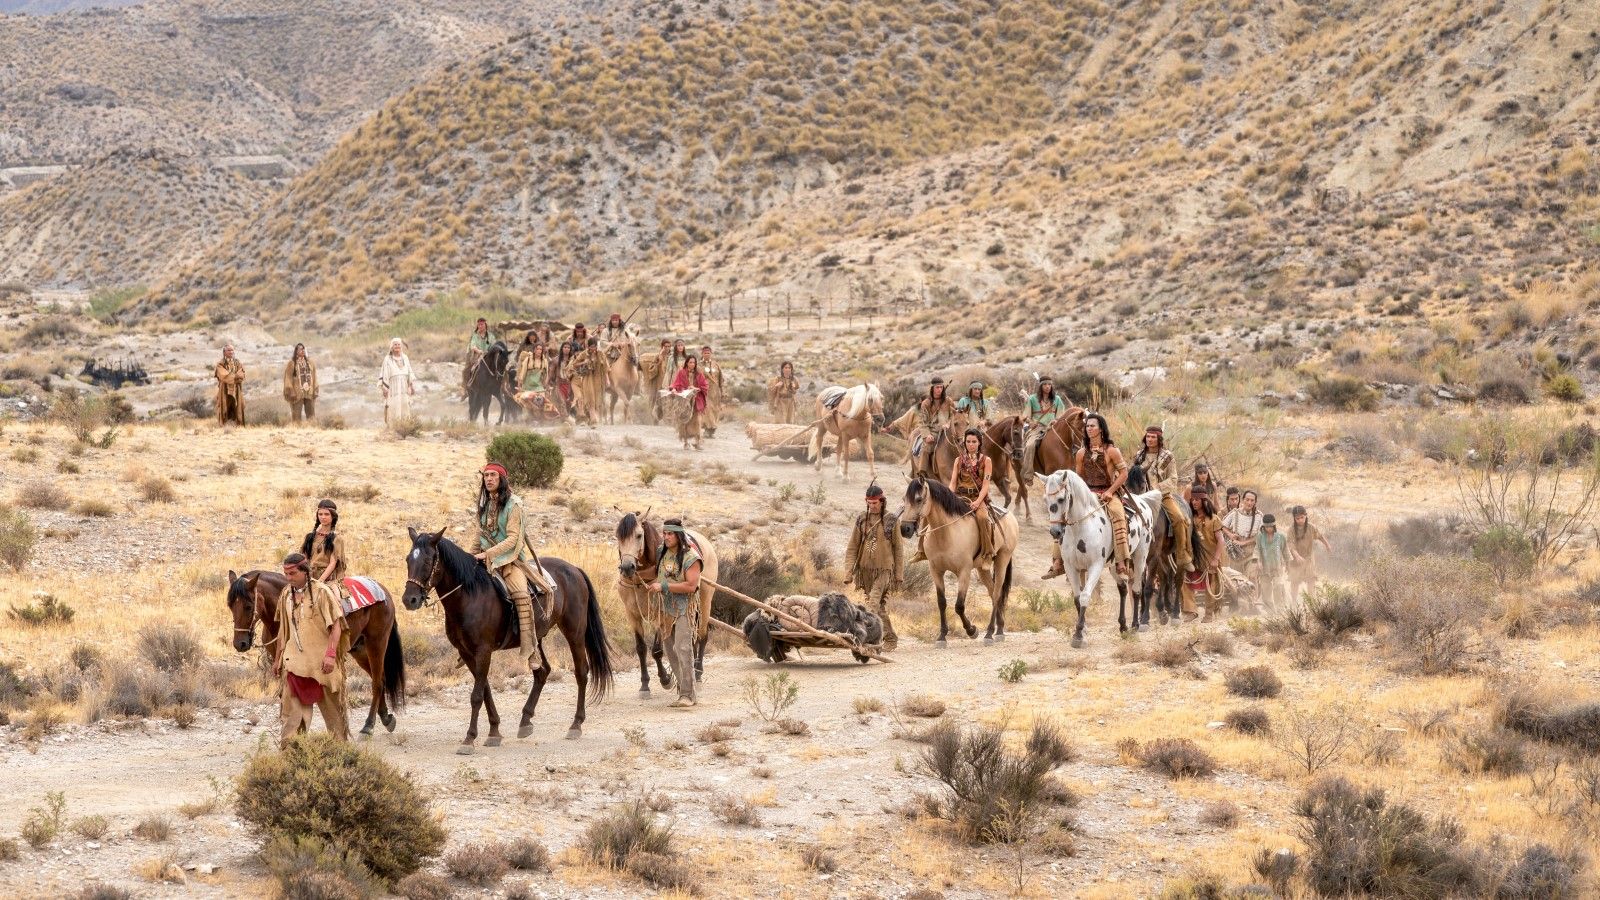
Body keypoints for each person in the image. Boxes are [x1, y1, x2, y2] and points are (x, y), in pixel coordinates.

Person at [474, 463, 554, 673]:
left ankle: (532, 650)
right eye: (486, 475)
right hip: (486, 561)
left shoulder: (514, 504)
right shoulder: (485, 504)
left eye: (493, 475)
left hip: (510, 562)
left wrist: (488, 554)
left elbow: (512, 539)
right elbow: (480, 536)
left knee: (521, 595)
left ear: (501, 478)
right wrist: (469, 557)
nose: (488, 479)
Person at [274, 552, 349, 746]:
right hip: (295, 664)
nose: (289, 578)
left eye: (292, 574)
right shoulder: (285, 596)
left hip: (322, 665)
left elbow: (337, 626)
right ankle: (290, 756)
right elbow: (283, 630)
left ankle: (341, 754)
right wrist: (277, 659)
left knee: (334, 718)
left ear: (305, 571)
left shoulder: (321, 593)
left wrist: (331, 655)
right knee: (292, 716)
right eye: (286, 574)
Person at [647, 518, 702, 709]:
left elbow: (691, 586)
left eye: (670, 533)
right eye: (664, 533)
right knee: (670, 650)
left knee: (683, 649)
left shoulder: (691, 558)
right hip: (664, 610)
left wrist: (662, 586)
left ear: (678, 535)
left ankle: (688, 695)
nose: (666, 537)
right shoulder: (662, 553)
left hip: (684, 608)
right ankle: (683, 692)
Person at [844, 484, 904, 650]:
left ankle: (867, 639)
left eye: (875, 503)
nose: (872, 506)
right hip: (865, 572)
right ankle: (890, 638)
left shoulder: (892, 520)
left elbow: (898, 549)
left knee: (872, 604)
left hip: (884, 570)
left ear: (882, 501)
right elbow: (852, 547)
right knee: (879, 608)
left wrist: (899, 574)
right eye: (869, 503)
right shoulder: (861, 519)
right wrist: (848, 572)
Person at [1075, 412, 1131, 578]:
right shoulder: (1080, 453)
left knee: (1119, 515)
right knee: (1065, 515)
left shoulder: (1112, 451)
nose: (1089, 428)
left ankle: (1121, 561)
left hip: (1108, 492)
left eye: (1093, 426)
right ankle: (1058, 561)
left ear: (1101, 429)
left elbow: (1124, 473)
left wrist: (1110, 491)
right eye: (1087, 426)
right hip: (1088, 492)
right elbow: (1079, 477)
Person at [1133, 426, 1192, 572]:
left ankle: (1183, 554)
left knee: (1179, 518)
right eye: (1148, 437)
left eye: (1153, 437)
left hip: (1162, 496)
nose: (1150, 439)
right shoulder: (1139, 455)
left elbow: (1173, 479)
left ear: (1159, 439)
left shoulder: (1167, 456)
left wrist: (1155, 488)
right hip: (1140, 496)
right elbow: (1133, 474)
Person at [949, 428, 995, 563]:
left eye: (974, 441)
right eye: (968, 441)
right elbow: (953, 483)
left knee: (982, 518)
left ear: (979, 443)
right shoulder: (958, 460)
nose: (971, 444)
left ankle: (987, 553)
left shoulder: (987, 461)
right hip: (960, 496)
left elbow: (986, 485)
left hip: (976, 497)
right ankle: (922, 550)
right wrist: (948, 495)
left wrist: (978, 502)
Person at [1183, 486, 1224, 622]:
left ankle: (1209, 614)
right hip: (1193, 558)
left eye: (1197, 500)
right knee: (1186, 582)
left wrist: (1216, 559)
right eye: (1192, 500)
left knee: (1211, 585)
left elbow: (1221, 540)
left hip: (1210, 559)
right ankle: (1191, 611)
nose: (1194, 502)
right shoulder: (1189, 518)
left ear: (1204, 501)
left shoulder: (1214, 519)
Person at [1023, 376, 1067, 479]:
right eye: (1045, 384)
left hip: (1053, 428)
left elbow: (1061, 416)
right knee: (1030, 445)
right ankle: (1028, 474)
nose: (1047, 387)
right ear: (1041, 386)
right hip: (1038, 428)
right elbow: (1026, 416)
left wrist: (1056, 421)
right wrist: (1031, 422)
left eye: (1049, 384)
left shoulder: (1057, 399)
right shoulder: (1032, 399)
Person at [911, 377, 956, 478]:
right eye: (937, 387)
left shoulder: (948, 401)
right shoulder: (926, 403)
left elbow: (954, 414)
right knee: (926, 448)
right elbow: (923, 422)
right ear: (932, 388)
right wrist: (927, 435)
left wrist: (948, 423)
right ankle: (921, 473)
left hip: (947, 430)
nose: (939, 389)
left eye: (941, 387)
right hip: (933, 431)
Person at [1287, 505, 1332, 600]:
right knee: (1294, 582)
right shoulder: (1291, 530)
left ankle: (1311, 602)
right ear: (1294, 518)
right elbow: (1291, 545)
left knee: (1311, 580)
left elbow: (1320, 536)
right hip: (1295, 560)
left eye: (1302, 517)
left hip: (1309, 559)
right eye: (1297, 518)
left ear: (1306, 516)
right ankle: (1294, 602)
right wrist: (1297, 556)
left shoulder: (1311, 527)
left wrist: (1327, 545)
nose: (1300, 520)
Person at [301, 499, 348, 585]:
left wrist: (320, 581)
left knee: (337, 597)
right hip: (310, 575)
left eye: (326, 514)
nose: (323, 517)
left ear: (333, 516)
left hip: (328, 577)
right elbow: (304, 559)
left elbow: (332, 563)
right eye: (320, 514)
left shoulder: (337, 539)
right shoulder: (310, 537)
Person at [670, 355, 709, 450]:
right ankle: (686, 442)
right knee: (685, 421)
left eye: (694, 362)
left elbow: (705, 386)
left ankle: (698, 442)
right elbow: (676, 383)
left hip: (697, 400)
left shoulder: (699, 373)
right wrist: (674, 389)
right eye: (690, 362)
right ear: (687, 363)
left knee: (698, 421)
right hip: (685, 401)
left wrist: (695, 388)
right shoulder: (681, 372)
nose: (692, 364)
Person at [1222, 489, 1263, 571]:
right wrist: (1231, 535)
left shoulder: (1259, 516)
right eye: (1247, 500)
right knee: (1236, 580)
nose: (1249, 503)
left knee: (1252, 576)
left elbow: (1261, 536)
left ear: (1255, 502)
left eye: (1252, 500)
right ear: (1243, 500)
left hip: (1251, 553)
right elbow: (1221, 526)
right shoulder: (1235, 513)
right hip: (1236, 553)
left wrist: (1244, 542)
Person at [1255, 513, 1289, 612]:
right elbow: (1257, 549)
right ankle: (1269, 609)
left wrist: (1288, 565)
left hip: (1278, 567)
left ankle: (1281, 608)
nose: (1268, 529)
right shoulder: (1260, 536)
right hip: (1264, 567)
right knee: (1265, 589)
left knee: (1278, 586)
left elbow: (1286, 550)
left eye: (1270, 526)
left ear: (1274, 525)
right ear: (1263, 526)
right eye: (1266, 527)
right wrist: (1258, 562)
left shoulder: (1281, 536)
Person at [569, 337, 605, 426]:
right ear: (588, 347)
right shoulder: (583, 354)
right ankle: (593, 420)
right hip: (587, 378)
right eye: (591, 347)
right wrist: (584, 362)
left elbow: (606, 366)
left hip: (598, 378)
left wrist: (607, 379)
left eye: (595, 346)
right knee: (590, 398)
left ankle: (590, 417)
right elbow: (574, 364)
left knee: (597, 398)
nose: (593, 349)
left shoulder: (600, 353)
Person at [380, 338, 416, 427]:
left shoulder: (405, 358)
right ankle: (393, 428)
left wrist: (411, 386)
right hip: (393, 387)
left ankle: (405, 427)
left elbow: (409, 372)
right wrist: (384, 388)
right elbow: (384, 373)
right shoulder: (387, 359)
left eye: (399, 344)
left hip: (404, 386)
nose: (397, 346)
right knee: (393, 406)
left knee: (405, 405)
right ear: (392, 347)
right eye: (395, 344)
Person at [514, 344, 552, 418]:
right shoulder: (528, 359)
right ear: (534, 350)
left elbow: (545, 375)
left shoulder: (544, 361)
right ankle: (529, 418)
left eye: (540, 349)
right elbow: (523, 372)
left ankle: (541, 418)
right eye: (537, 349)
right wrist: (520, 385)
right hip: (528, 385)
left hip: (538, 385)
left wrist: (547, 385)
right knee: (527, 402)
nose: (539, 351)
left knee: (541, 401)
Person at [282, 343, 317, 424]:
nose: (302, 350)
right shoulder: (292, 363)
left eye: (303, 349)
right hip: (297, 393)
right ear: (296, 351)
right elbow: (288, 378)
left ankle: (312, 429)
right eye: (300, 349)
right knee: (296, 414)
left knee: (311, 413)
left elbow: (314, 376)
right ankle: (296, 430)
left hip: (309, 392)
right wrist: (291, 391)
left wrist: (315, 389)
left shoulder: (310, 363)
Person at [214, 344, 246, 425]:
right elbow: (224, 376)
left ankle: (239, 425)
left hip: (237, 389)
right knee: (224, 407)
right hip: (224, 389)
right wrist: (235, 377)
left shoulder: (238, 362)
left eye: (232, 350)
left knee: (238, 406)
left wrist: (234, 377)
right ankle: (224, 425)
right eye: (229, 350)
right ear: (224, 352)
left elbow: (241, 374)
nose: (231, 352)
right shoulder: (220, 364)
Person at [463, 318, 497, 394]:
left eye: (482, 324)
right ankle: (465, 389)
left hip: (488, 356)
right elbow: (473, 346)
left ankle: (502, 386)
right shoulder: (475, 335)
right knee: (465, 371)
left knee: (500, 367)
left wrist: (489, 352)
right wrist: (479, 351)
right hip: (476, 355)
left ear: (485, 325)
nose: (480, 326)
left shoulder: (491, 336)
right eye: (479, 325)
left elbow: (494, 345)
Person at [698, 346, 725, 438]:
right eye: (705, 353)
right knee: (707, 409)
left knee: (715, 410)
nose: (707, 354)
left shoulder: (716, 365)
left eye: (708, 353)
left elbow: (721, 379)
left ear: (711, 354)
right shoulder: (699, 365)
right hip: (705, 392)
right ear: (702, 354)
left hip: (715, 392)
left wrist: (722, 391)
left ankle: (712, 430)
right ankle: (707, 429)